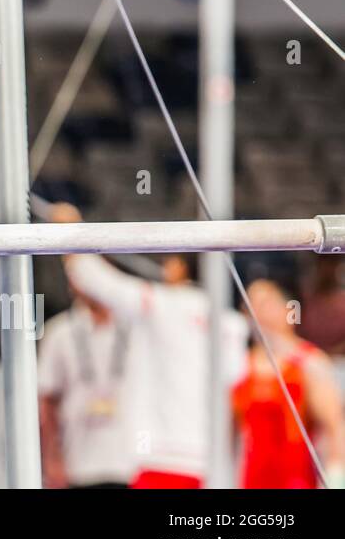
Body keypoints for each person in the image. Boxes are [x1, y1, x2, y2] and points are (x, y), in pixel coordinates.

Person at [55, 203, 248, 489]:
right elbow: (236, 385)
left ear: (179, 267)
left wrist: (69, 230)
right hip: (211, 461)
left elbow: (96, 280)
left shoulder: (162, 304)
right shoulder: (233, 324)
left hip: (163, 456)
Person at [231, 278, 345, 489]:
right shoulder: (239, 364)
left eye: (265, 303)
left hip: (296, 481)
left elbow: (335, 426)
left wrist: (337, 477)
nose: (257, 312)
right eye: (250, 305)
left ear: (289, 310)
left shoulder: (309, 362)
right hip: (249, 481)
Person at [37, 279, 134, 489]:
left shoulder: (136, 326)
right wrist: (52, 461)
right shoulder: (60, 332)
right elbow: (47, 401)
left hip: (133, 461)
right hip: (79, 463)